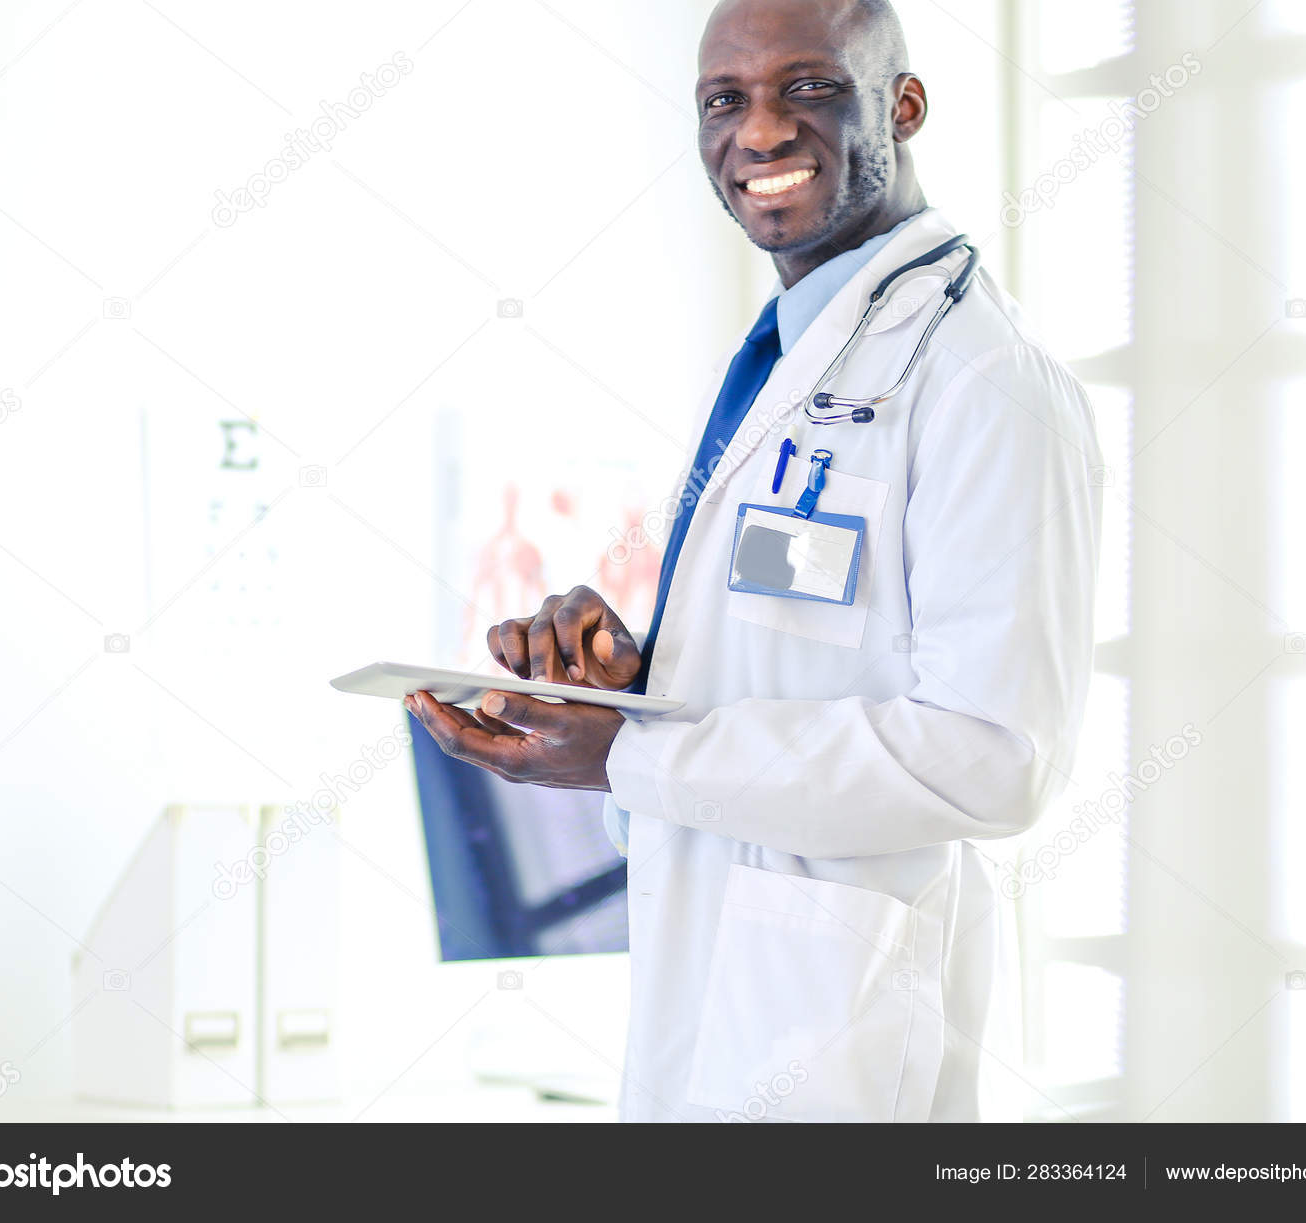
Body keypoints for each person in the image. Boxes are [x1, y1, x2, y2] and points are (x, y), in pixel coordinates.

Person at [407, 0, 1102, 1122]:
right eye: (723, 100)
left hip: (838, 1023)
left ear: (904, 105)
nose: (760, 132)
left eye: (810, 87)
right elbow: (796, 657)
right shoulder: (797, 360)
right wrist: (632, 688)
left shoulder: (986, 380)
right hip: (715, 979)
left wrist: (630, 758)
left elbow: (993, 755)